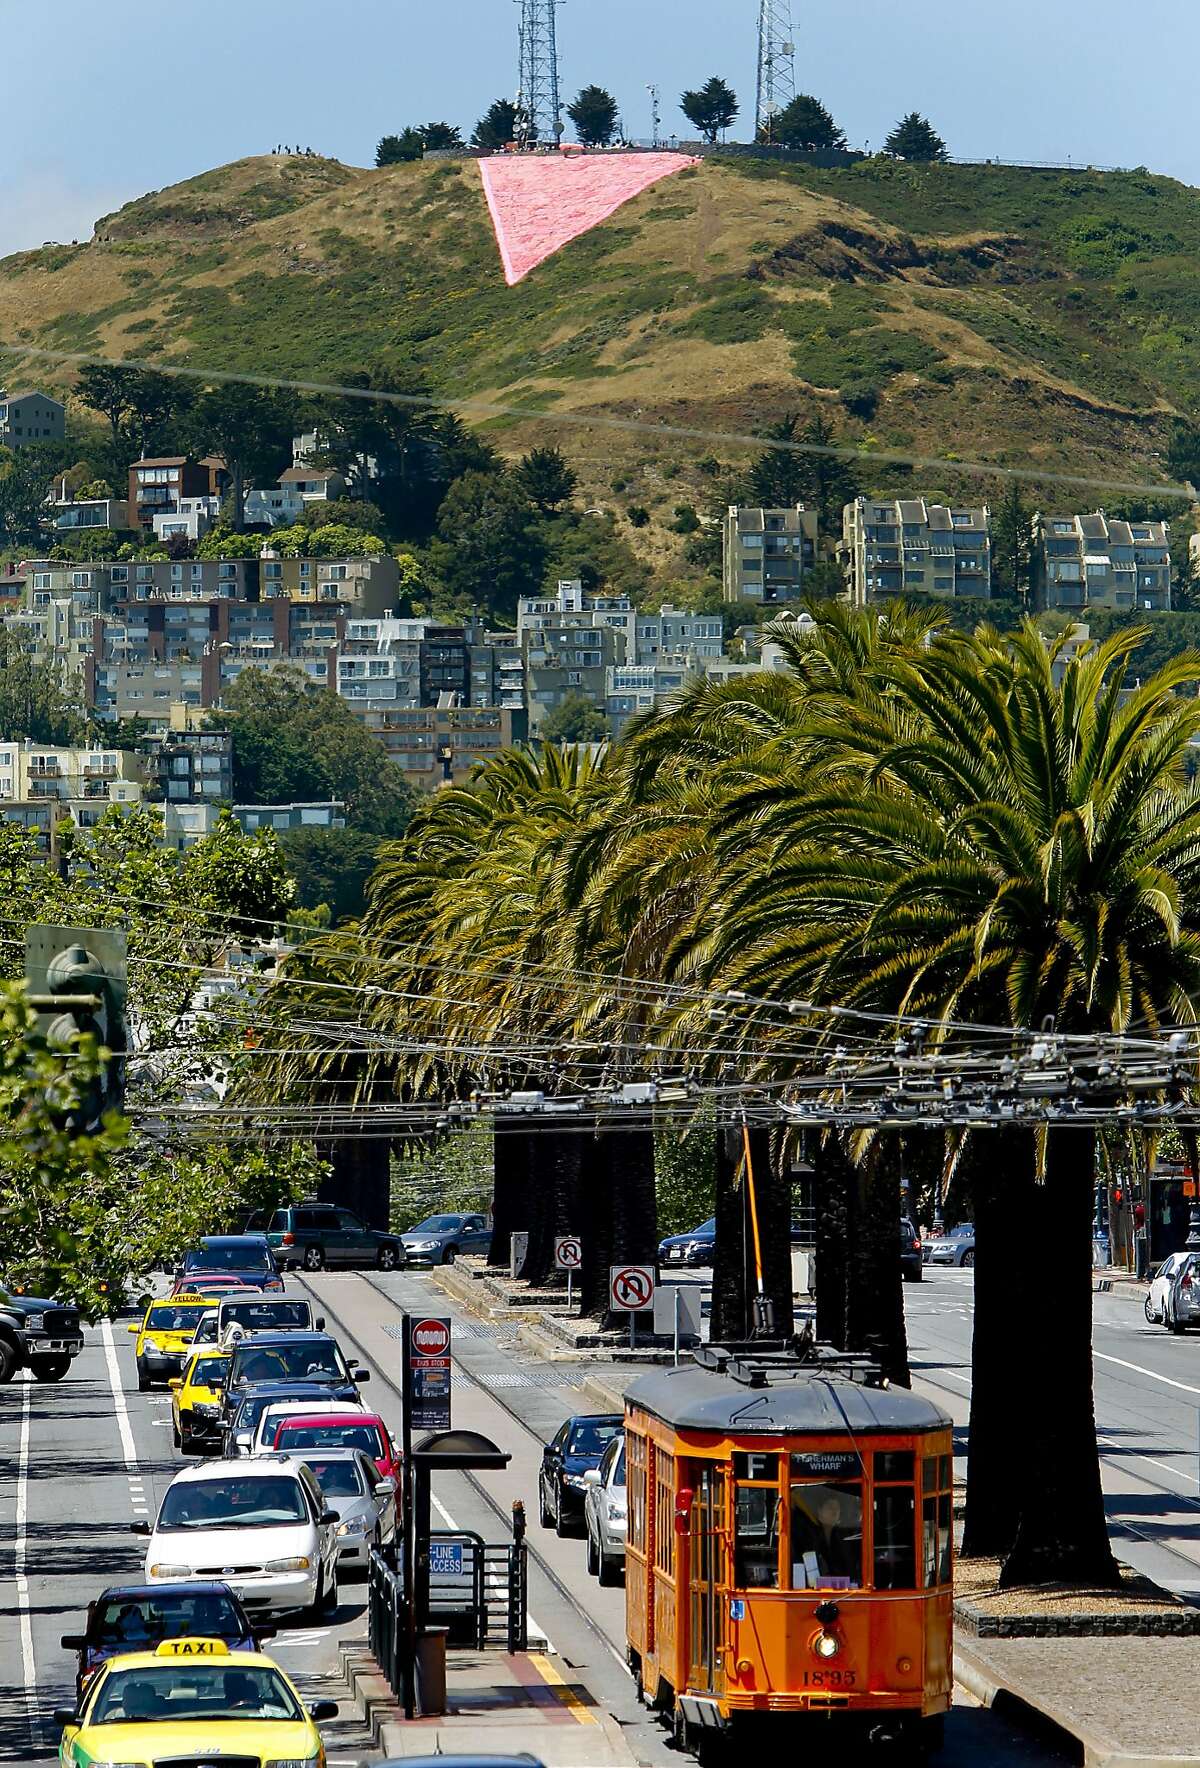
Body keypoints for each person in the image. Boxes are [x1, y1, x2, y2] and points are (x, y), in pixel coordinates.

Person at [792, 1489, 860, 1584]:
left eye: (837, 1508)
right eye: (830, 1507)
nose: (835, 1511)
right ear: (819, 1512)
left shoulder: (842, 1536)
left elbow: (849, 1566)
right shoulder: (811, 1535)